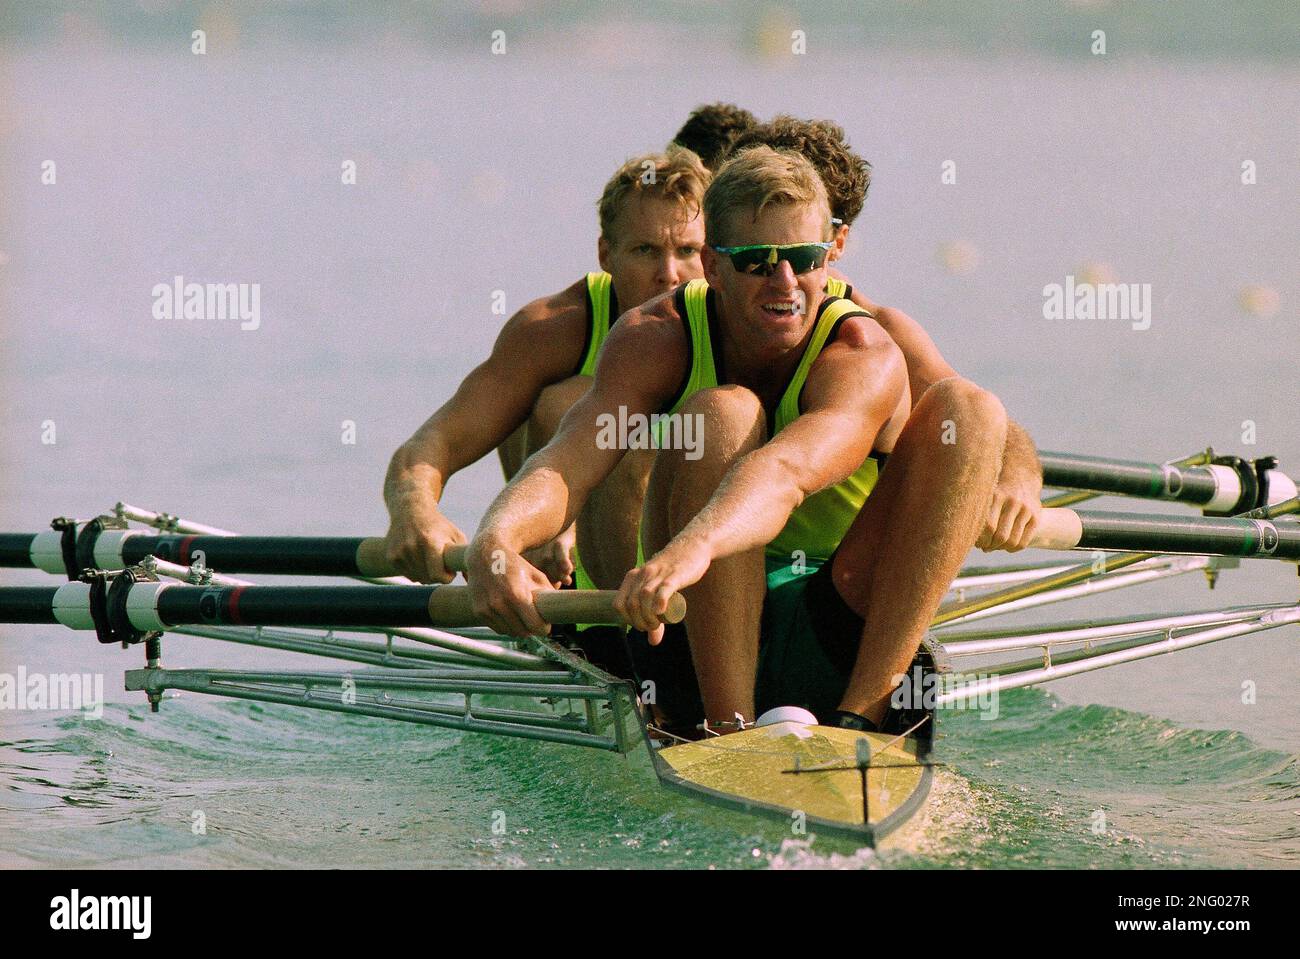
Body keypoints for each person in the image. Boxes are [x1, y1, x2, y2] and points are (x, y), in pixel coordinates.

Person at [464, 146, 1038, 741]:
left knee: (970, 409)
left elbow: (788, 472)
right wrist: (497, 539)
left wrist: (699, 543)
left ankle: (864, 715)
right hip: (687, 628)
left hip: (829, 622)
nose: (784, 282)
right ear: (712, 264)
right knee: (723, 411)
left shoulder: (864, 353)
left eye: (802, 258)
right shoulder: (653, 338)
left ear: (832, 251)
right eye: (757, 262)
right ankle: (726, 729)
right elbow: (567, 463)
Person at [382, 147, 709, 591]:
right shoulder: (552, 329)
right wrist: (413, 508)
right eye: (645, 250)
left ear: (715, 257)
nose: (669, 274)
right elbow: (433, 443)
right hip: (571, 585)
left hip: (688, 567)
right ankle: (547, 555)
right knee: (568, 401)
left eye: (688, 250)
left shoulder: (747, 323)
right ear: (606, 255)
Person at [727, 115, 1043, 547]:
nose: (780, 259)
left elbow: (984, 422)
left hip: (832, 575)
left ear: (835, 240)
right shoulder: (670, 311)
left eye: (802, 246)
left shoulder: (882, 332)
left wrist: (1018, 481)